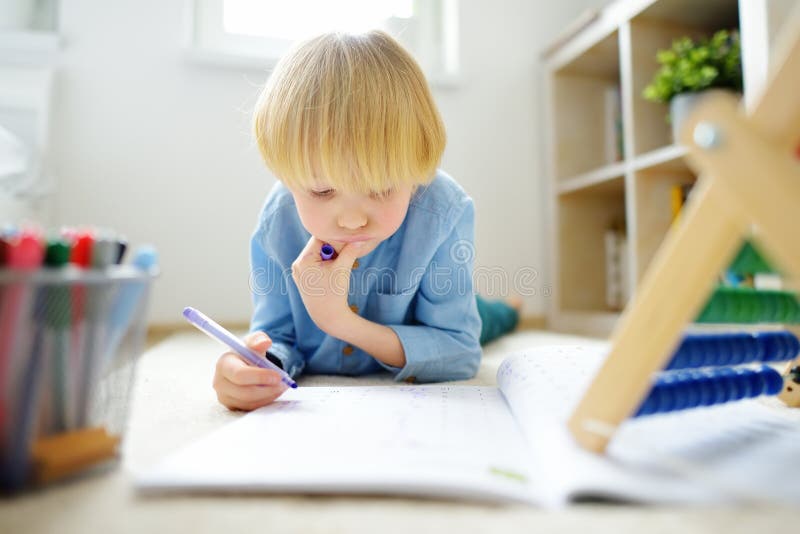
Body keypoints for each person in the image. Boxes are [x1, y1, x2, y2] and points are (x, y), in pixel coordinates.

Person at [213, 30, 519, 411]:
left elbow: (459, 350)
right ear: (286, 178)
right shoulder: (278, 219)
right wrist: (257, 366)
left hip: (446, 309)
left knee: (490, 318)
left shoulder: (443, 209)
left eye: (381, 189)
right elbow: (275, 335)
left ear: (418, 170)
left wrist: (339, 321)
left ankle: (509, 309)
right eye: (322, 192)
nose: (354, 220)